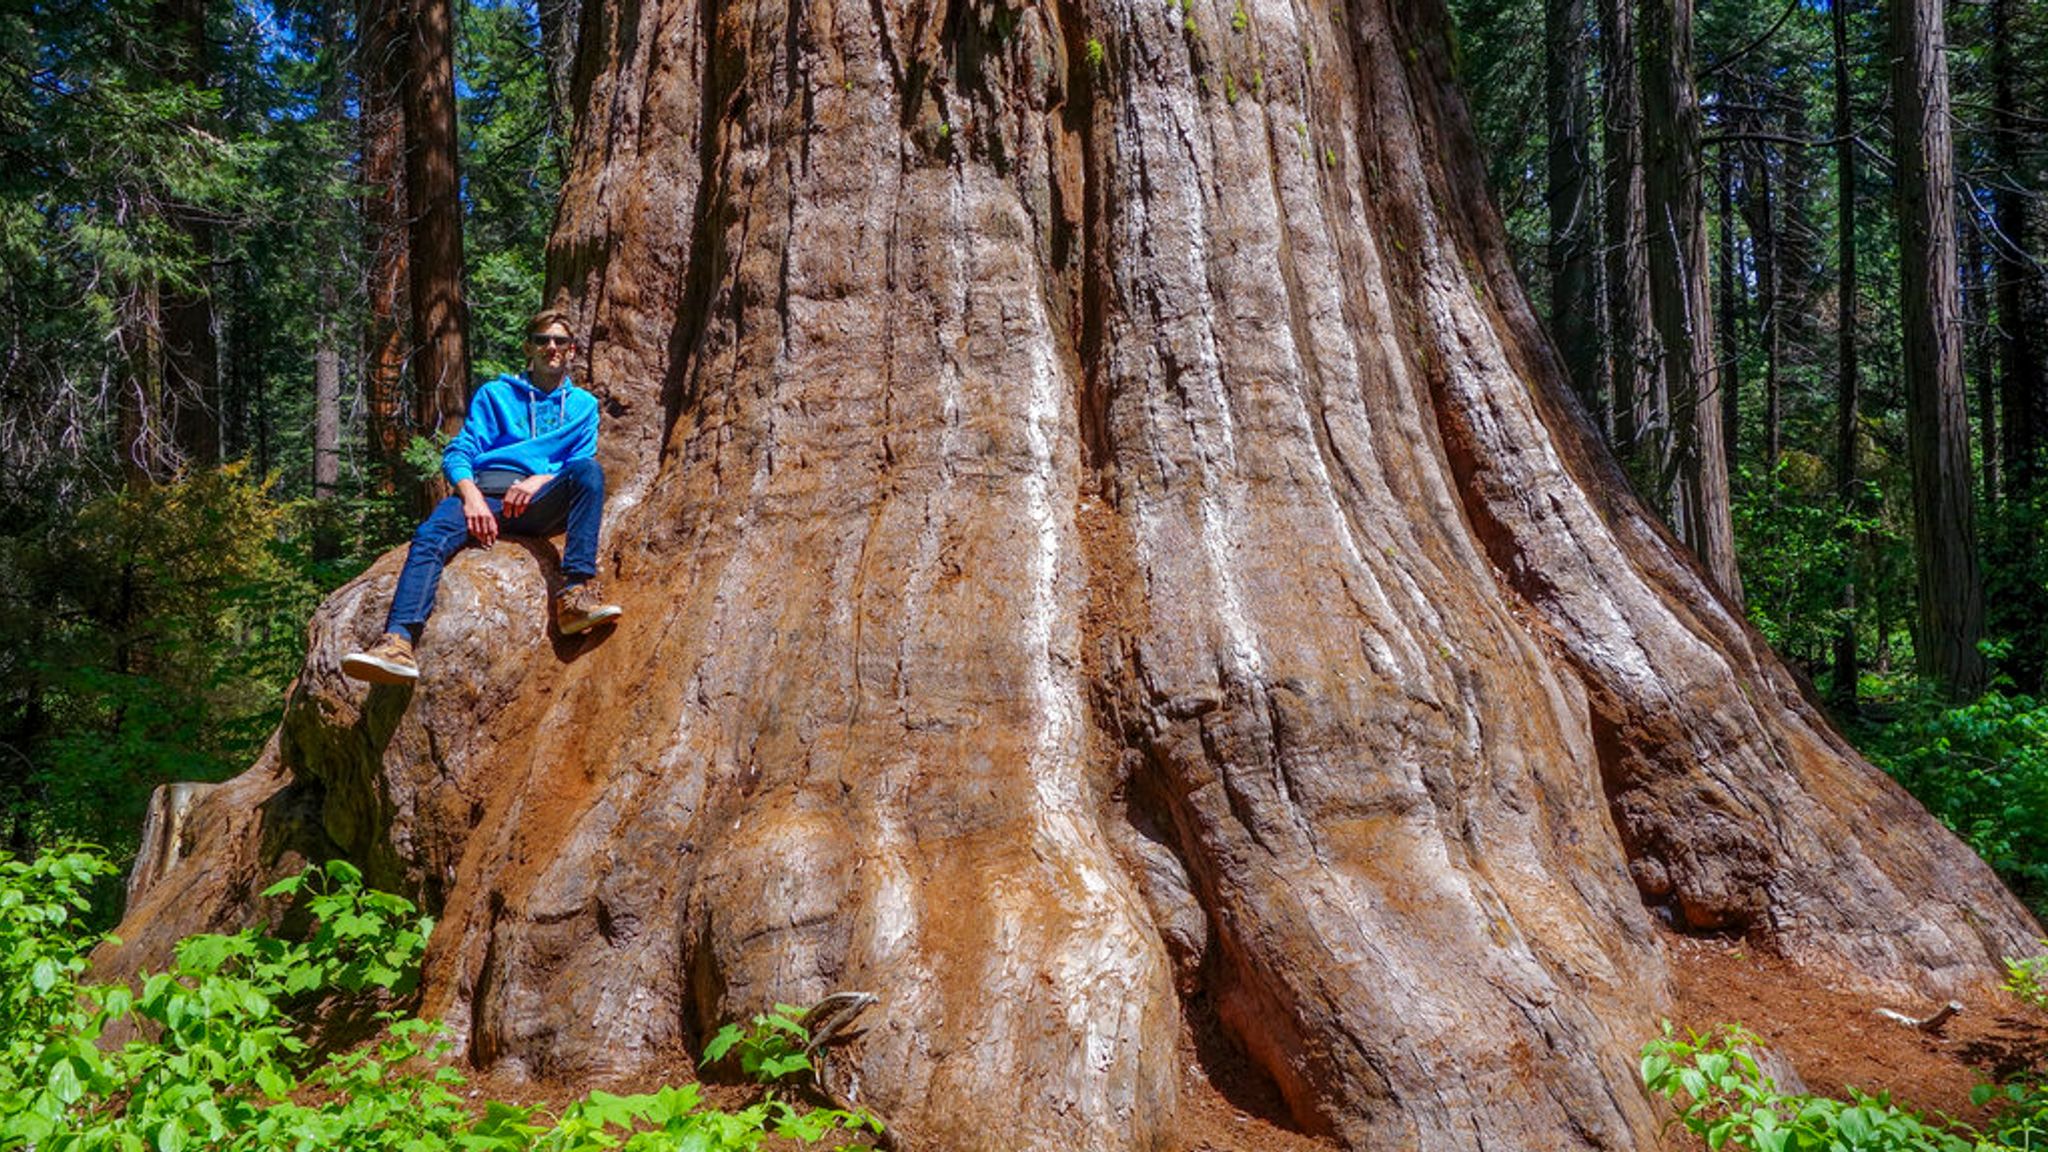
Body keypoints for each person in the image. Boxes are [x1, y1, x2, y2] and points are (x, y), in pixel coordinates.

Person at [342, 310, 622, 684]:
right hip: (487, 491)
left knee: (589, 472)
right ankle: (398, 642)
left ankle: (574, 597)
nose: (551, 347)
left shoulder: (583, 406)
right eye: (542, 340)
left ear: (571, 350)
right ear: (529, 348)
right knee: (430, 536)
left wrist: (540, 479)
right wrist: (471, 498)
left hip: (542, 500)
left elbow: (579, 460)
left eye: (559, 341)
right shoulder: (496, 395)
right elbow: (460, 452)